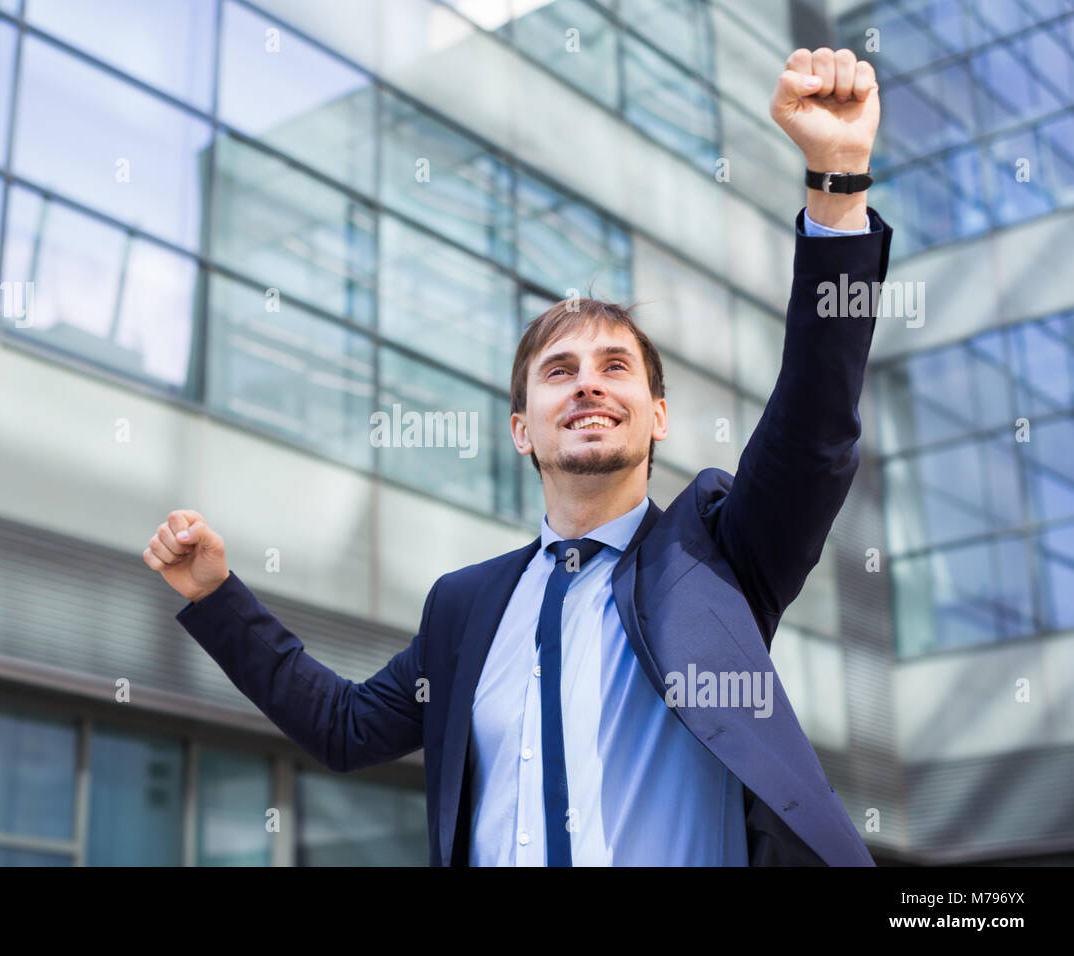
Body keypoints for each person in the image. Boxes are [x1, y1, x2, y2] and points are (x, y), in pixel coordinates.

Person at [144, 47, 891, 866]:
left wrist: (838, 185)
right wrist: (215, 595)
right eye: (559, 373)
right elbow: (346, 728)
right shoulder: (465, 609)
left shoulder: (718, 554)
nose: (590, 388)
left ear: (658, 417)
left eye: (616, 369)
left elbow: (815, 427)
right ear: (521, 430)